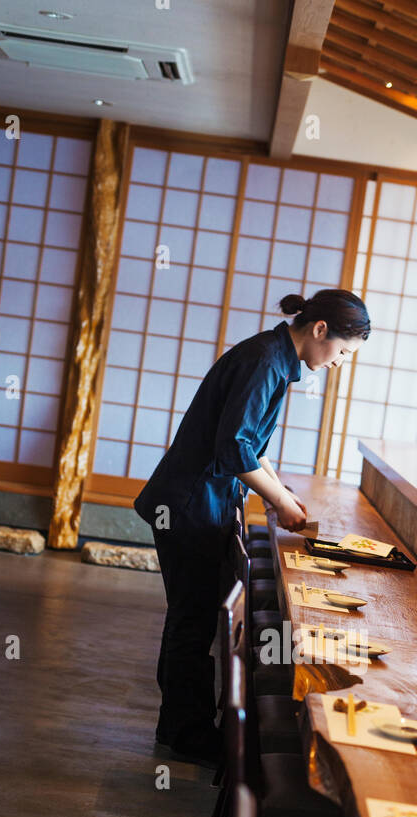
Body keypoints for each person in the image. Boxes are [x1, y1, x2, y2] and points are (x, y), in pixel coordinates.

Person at [133, 288, 371, 767]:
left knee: (192, 617)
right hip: (190, 504)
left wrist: (284, 492)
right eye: (343, 352)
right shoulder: (266, 360)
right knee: (192, 620)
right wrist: (278, 499)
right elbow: (233, 450)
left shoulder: (276, 359)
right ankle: (187, 734)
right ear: (320, 330)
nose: (339, 363)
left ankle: (180, 726)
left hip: (202, 502)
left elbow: (251, 445)